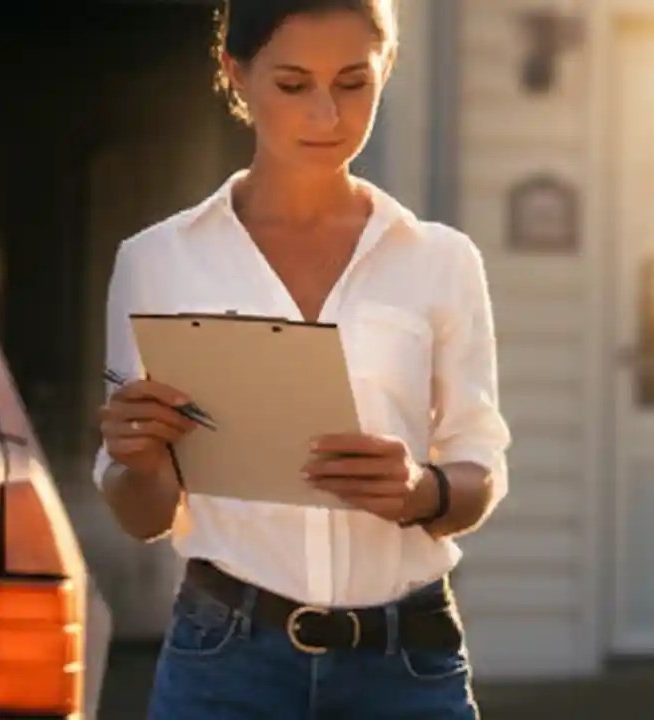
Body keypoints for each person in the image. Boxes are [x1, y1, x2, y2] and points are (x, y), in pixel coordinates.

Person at [93, 1, 510, 717]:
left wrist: (422, 491)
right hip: (224, 665)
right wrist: (138, 457)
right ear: (235, 73)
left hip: (405, 665)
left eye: (353, 83)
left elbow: (480, 467)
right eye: (293, 85)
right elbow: (144, 516)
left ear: (387, 68)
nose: (327, 115)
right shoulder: (156, 261)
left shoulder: (442, 261)